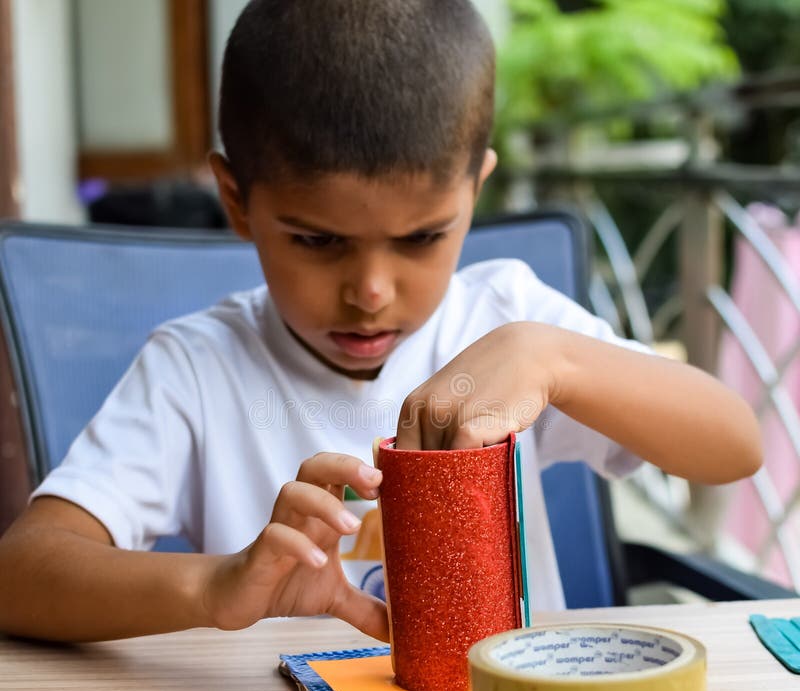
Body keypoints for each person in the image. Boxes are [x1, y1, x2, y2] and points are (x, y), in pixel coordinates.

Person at [0, 0, 761, 644]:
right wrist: (214, 586)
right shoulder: (196, 369)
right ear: (237, 200)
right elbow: (21, 574)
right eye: (318, 240)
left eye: (422, 237)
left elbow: (735, 442)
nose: (370, 291)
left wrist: (557, 358)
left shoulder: (511, 321)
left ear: (475, 191)